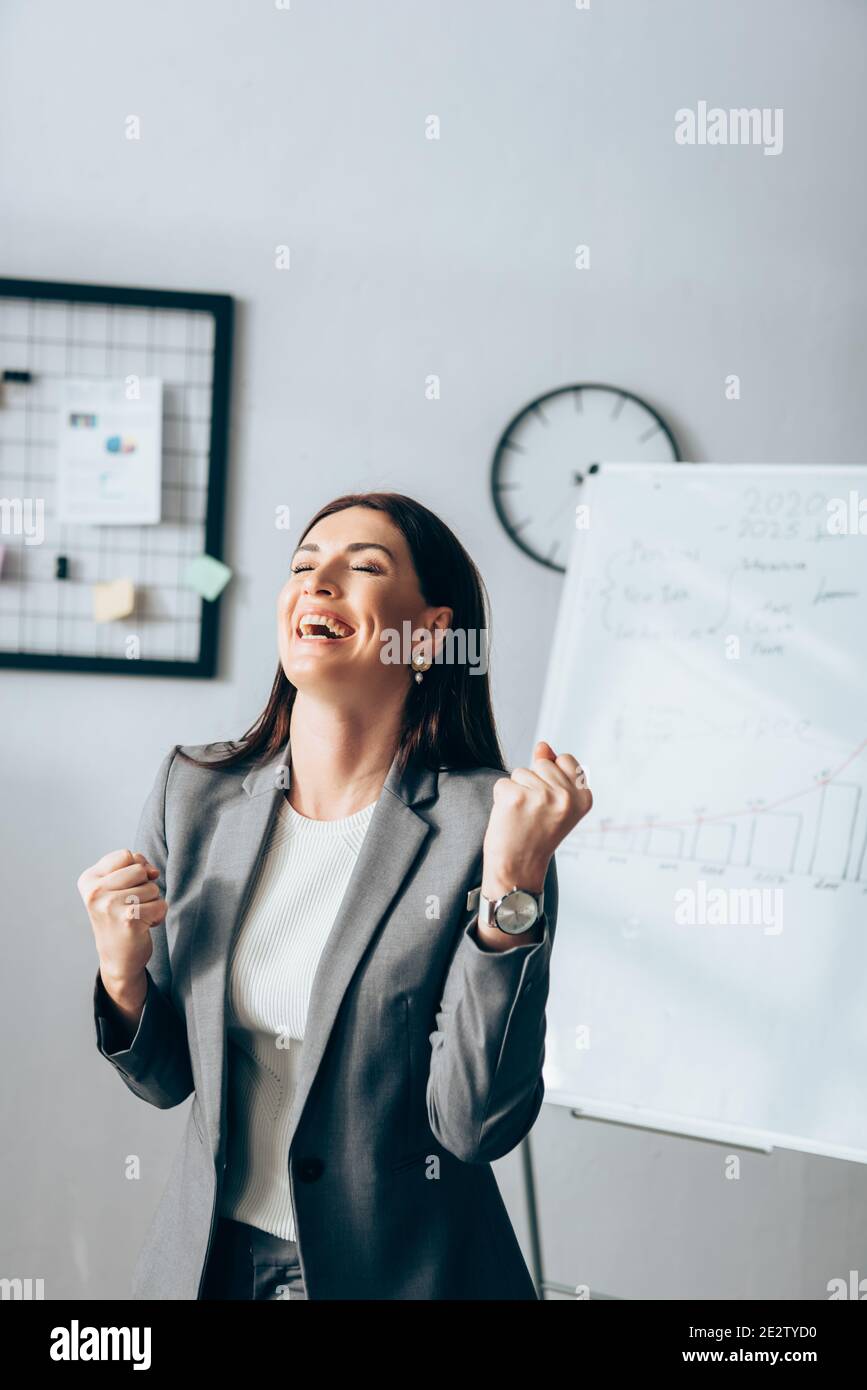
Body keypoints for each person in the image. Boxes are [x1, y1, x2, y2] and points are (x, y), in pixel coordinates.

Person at [79, 491, 592, 1300]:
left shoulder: (489, 829)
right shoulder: (196, 793)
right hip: (211, 1267)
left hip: (405, 1274)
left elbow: (475, 1124)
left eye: (361, 568)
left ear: (427, 633)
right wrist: (122, 973)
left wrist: (513, 892)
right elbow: (165, 1079)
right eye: (302, 567)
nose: (317, 585)